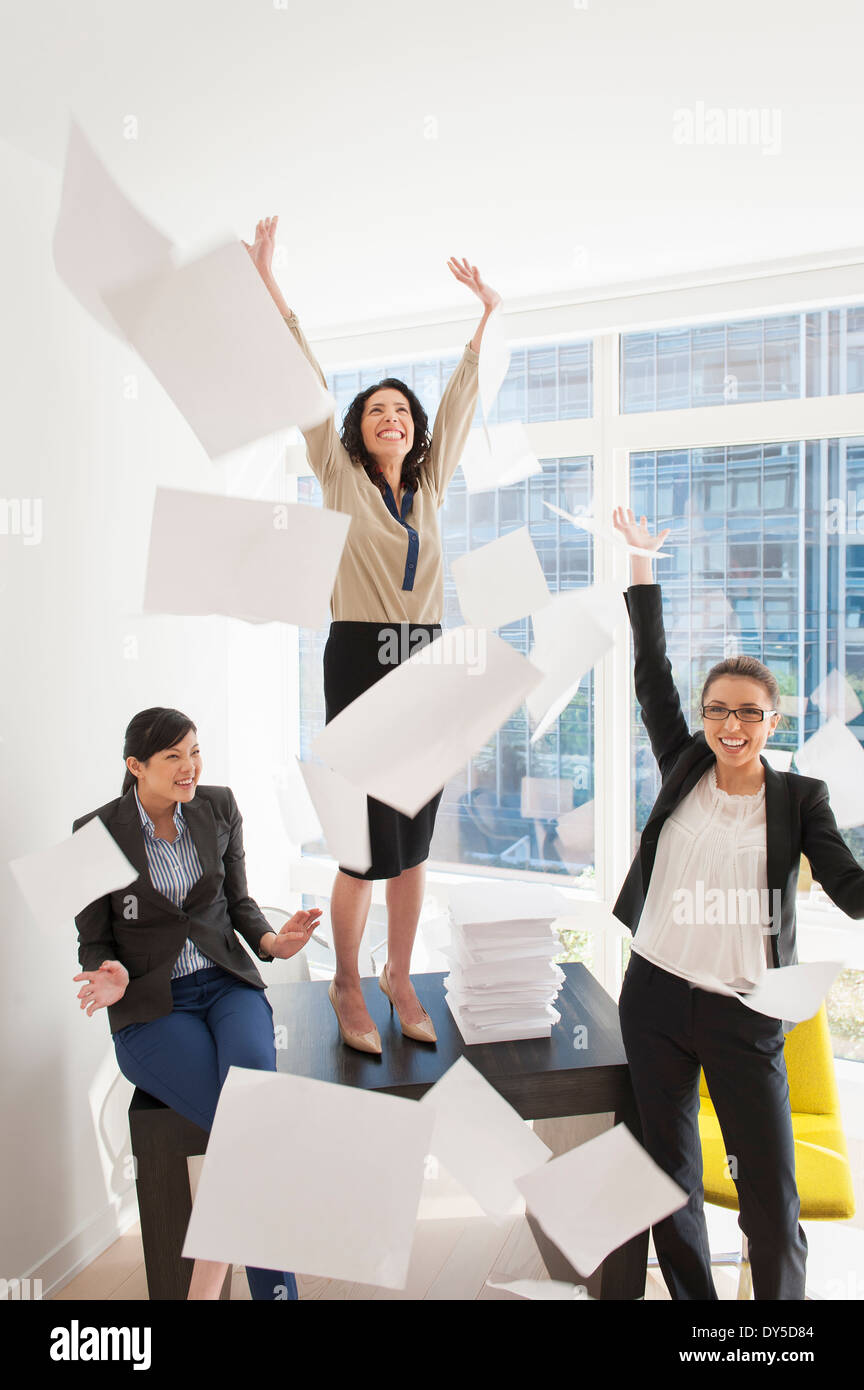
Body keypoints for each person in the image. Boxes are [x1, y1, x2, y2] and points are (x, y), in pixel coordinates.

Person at [244, 215, 499, 1053]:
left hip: (427, 658)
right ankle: (348, 984)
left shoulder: (429, 487)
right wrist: (272, 287)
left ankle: (399, 973)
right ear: (357, 429)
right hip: (359, 656)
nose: (390, 416)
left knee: (415, 841)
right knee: (363, 846)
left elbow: (461, 403)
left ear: (414, 430)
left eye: (402, 410)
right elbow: (307, 384)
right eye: (376, 410)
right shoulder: (339, 474)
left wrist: (484, 321)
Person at [611, 504, 864, 1301]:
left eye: (749, 712)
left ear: (771, 721)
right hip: (651, 994)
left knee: (770, 1196)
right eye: (719, 708)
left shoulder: (800, 798)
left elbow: (851, 889)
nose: (730, 724)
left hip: (744, 1011)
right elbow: (651, 675)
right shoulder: (683, 764)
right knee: (668, 1182)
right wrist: (642, 566)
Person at [72, 707, 321, 1301]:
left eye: (194, 752)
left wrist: (269, 942)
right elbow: (94, 940)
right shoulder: (94, 833)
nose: (190, 768)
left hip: (227, 986)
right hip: (154, 1010)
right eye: (173, 757)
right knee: (255, 1131)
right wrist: (106, 974)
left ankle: (209, 1291)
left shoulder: (218, 807)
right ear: (136, 767)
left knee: (251, 1120)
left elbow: (238, 901)